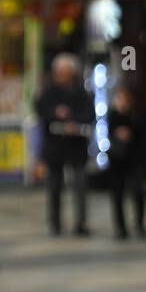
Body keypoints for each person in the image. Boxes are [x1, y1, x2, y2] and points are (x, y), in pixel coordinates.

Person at [34, 53, 94, 236]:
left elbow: (90, 114)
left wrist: (74, 123)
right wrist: (55, 113)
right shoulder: (48, 91)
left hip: (76, 145)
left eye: (64, 71)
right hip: (55, 146)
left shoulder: (82, 92)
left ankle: (81, 223)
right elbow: (40, 109)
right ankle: (55, 223)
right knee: (54, 186)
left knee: (80, 186)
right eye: (58, 71)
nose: (60, 75)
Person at [107, 85, 146, 240]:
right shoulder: (113, 114)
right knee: (117, 193)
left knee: (138, 191)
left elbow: (142, 131)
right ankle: (120, 227)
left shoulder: (138, 113)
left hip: (135, 158)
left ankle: (140, 224)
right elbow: (110, 130)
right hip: (117, 159)